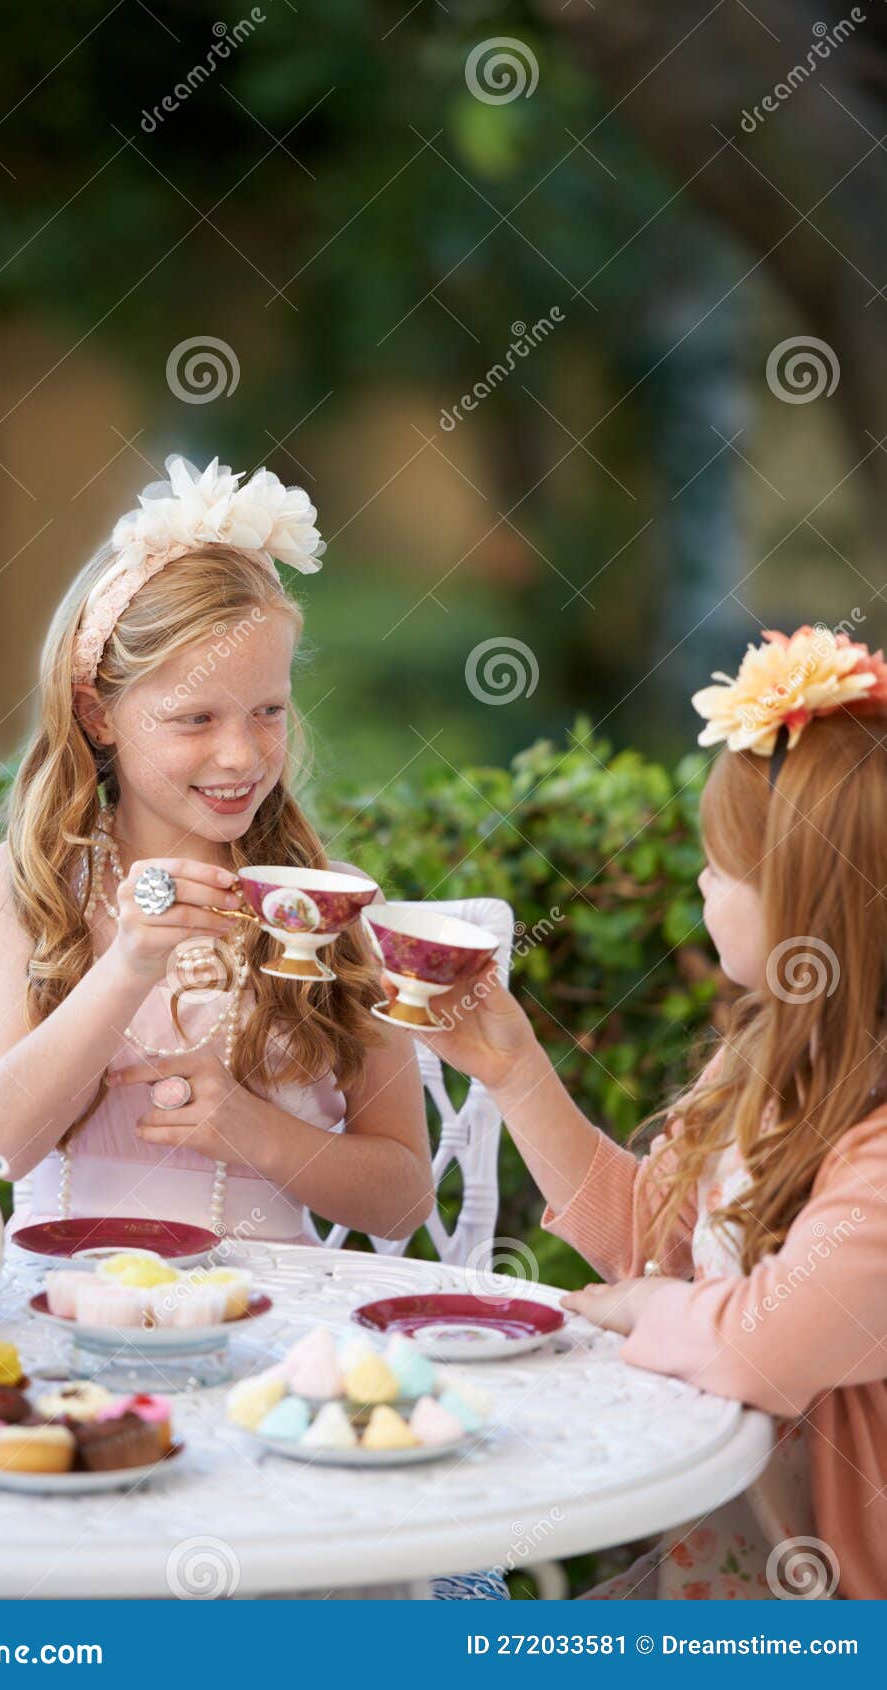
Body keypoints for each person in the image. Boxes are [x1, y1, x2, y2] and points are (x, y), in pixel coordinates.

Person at [396, 626, 887, 1599]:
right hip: (702, 1575)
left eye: (721, 862)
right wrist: (513, 1067)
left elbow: (755, 1342)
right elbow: (653, 1241)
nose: (700, 878)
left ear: (810, 903)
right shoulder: (762, 1075)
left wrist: (643, 1310)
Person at [0, 454, 433, 1245]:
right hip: (70, 1311)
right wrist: (128, 968)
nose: (242, 757)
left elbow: (402, 1199)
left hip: (279, 1324)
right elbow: (4, 1149)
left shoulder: (331, 905)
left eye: (267, 712)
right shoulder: (33, 883)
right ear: (99, 713)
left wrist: (252, 1129)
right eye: (195, 720)